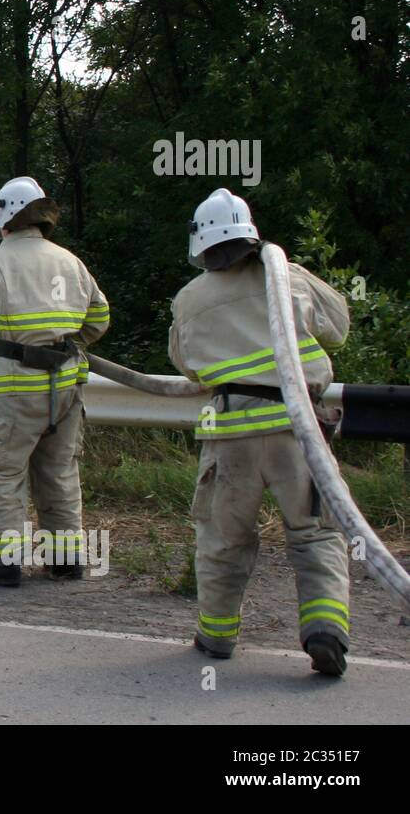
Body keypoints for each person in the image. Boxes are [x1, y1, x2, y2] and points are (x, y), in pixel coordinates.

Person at [168, 188, 351, 676]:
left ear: (201, 243)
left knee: (223, 537)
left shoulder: (189, 299)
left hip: (231, 435)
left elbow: (187, 367)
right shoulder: (285, 275)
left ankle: (216, 635)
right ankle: (324, 631)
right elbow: (339, 325)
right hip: (298, 430)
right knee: (316, 534)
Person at [0, 177, 110, 585]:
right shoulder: (71, 261)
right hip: (66, 386)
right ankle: (66, 559)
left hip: (17, 389)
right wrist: (64, 344)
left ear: (3, 218)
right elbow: (100, 318)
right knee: (59, 471)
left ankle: (7, 563)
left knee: (3, 470)